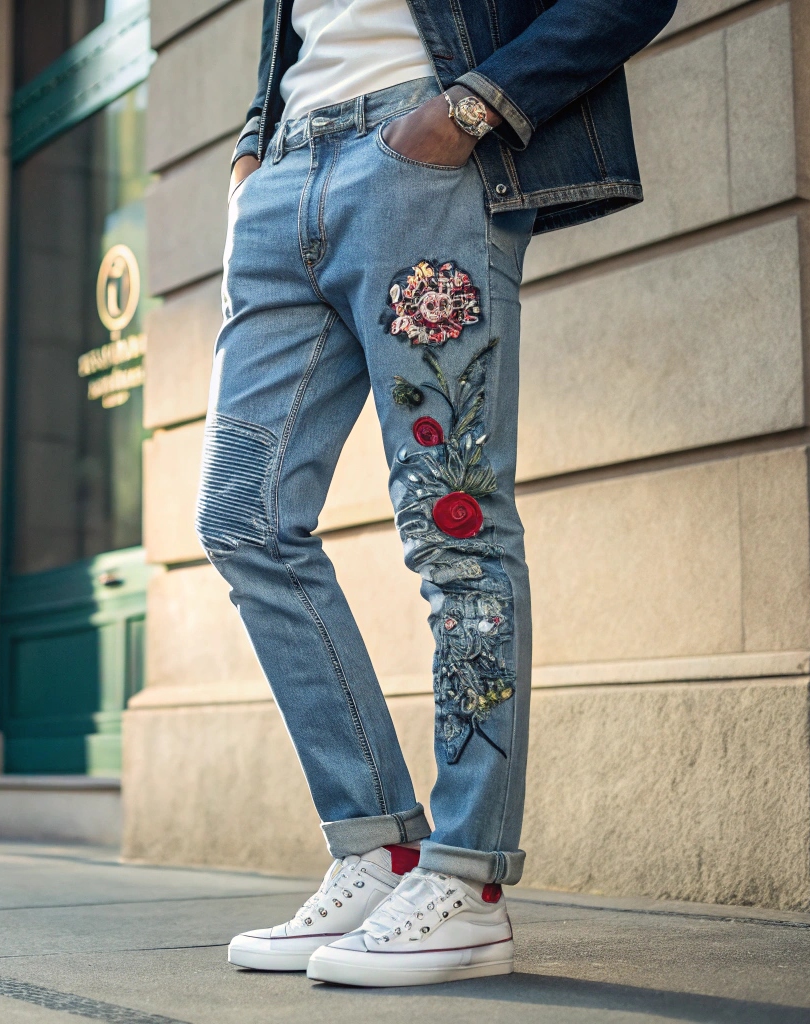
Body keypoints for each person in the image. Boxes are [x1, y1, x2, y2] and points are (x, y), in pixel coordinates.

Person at [201, 0, 676, 988]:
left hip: (416, 160)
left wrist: (467, 110)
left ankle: (464, 877)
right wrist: (252, 154)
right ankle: (381, 848)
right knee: (239, 520)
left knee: (452, 523)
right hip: (286, 174)